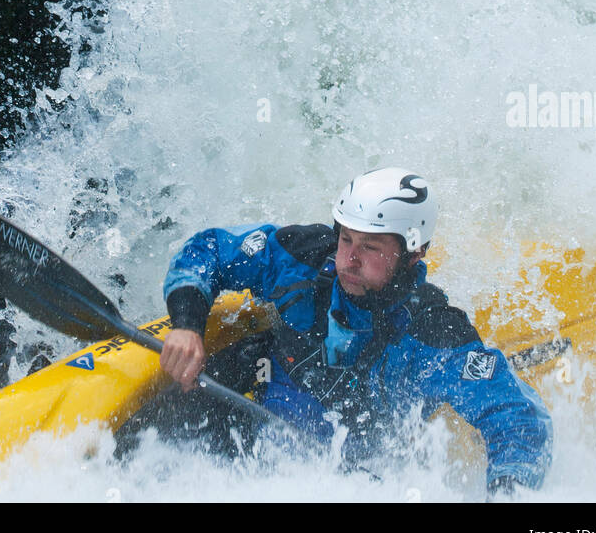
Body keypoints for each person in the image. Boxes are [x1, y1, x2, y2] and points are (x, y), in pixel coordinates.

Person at [158, 168, 552, 495]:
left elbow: (519, 418)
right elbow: (208, 249)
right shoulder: (302, 257)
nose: (348, 259)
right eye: (346, 238)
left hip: (347, 474)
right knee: (194, 393)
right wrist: (187, 325)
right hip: (255, 422)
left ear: (413, 254)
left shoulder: (435, 333)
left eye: (371, 248)